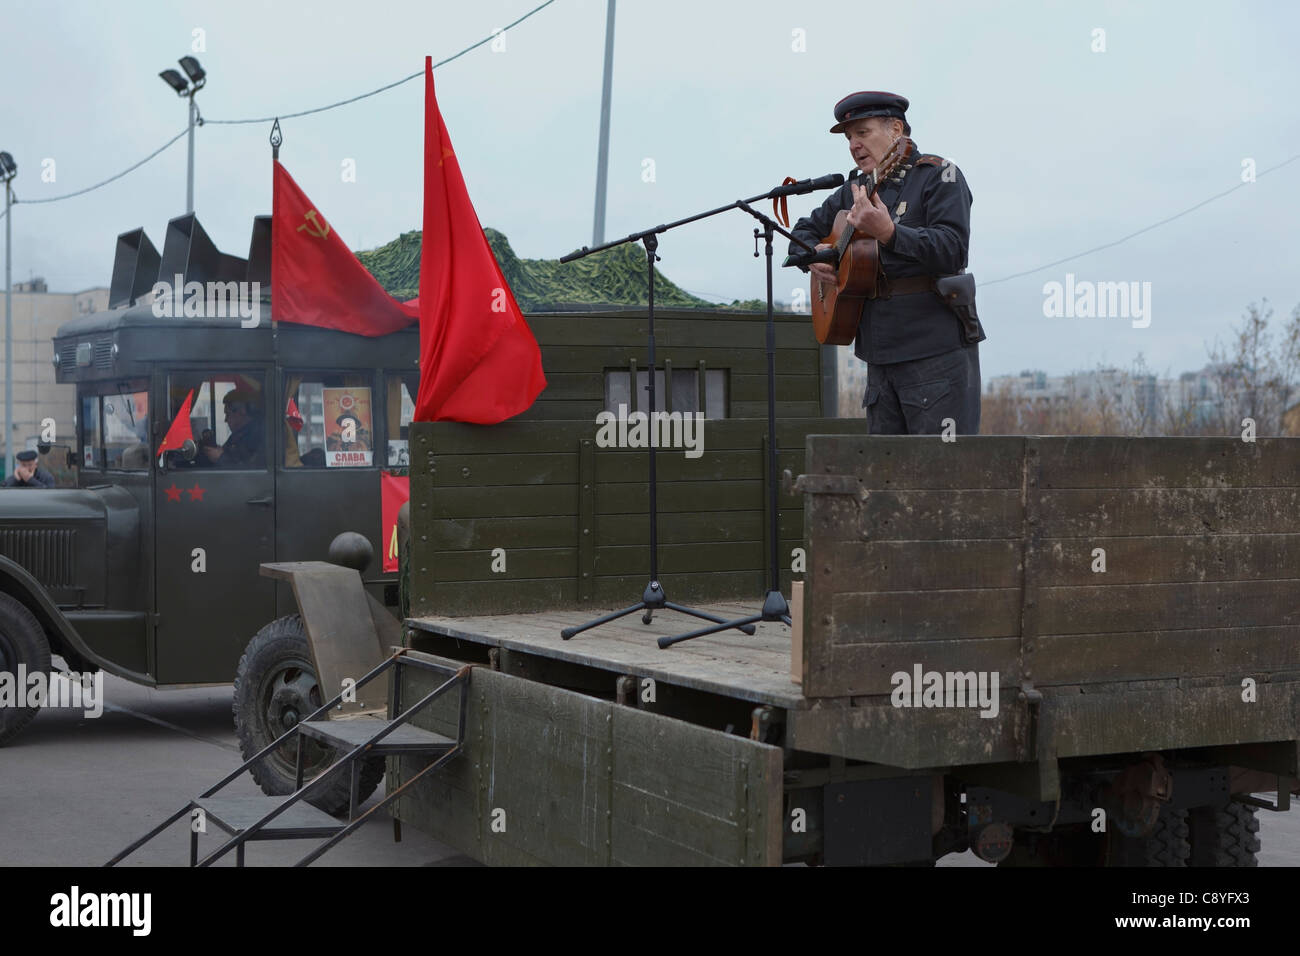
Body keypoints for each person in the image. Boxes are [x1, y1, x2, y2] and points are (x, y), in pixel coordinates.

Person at [789, 90, 985, 435]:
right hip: (878, 355)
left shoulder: (940, 176)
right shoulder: (855, 188)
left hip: (934, 351)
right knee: (883, 473)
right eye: (849, 138)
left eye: (862, 133)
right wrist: (814, 258)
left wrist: (889, 232)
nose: (853, 145)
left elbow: (953, 249)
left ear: (896, 129)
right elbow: (802, 231)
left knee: (940, 473)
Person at [202, 389, 265, 468]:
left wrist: (220, 458)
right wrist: (219, 451)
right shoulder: (239, 434)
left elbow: (250, 470)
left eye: (228, 414)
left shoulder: (258, 436)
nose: (225, 420)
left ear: (242, 412)